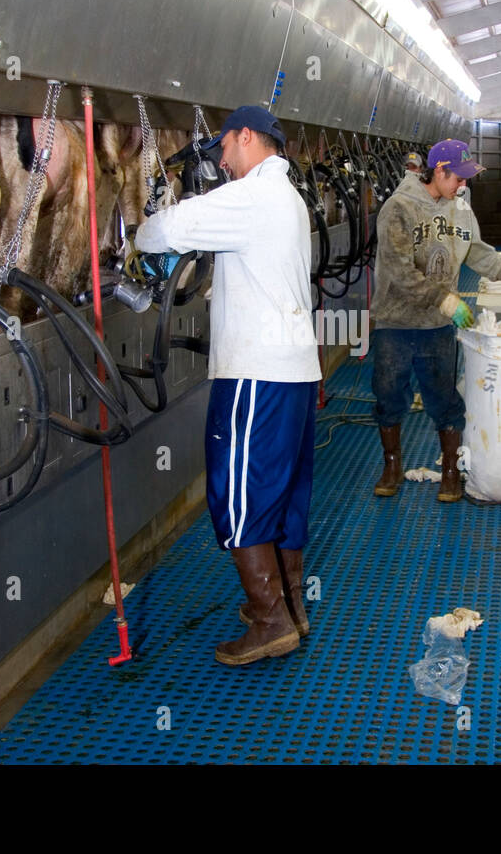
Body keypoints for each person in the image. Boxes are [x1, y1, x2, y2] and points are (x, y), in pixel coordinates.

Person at [135, 105, 320, 666]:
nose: (219, 159)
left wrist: (145, 225)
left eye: (224, 147)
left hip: (254, 376)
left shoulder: (253, 197)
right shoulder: (287, 198)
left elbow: (165, 230)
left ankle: (269, 622)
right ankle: (290, 604)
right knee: (282, 492)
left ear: (246, 138)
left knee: (237, 495)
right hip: (293, 372)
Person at [370, 138, 501, 502]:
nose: (462, 185)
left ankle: (450, 469)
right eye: (457, 178)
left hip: (436, 325)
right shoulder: (397, 208)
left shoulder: (460, 210)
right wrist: (445, 300)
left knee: (443, 397)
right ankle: (391, 464)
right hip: (395, 323)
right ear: (439, 171)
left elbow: (476, 251)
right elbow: (399, 270)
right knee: (388, 394)